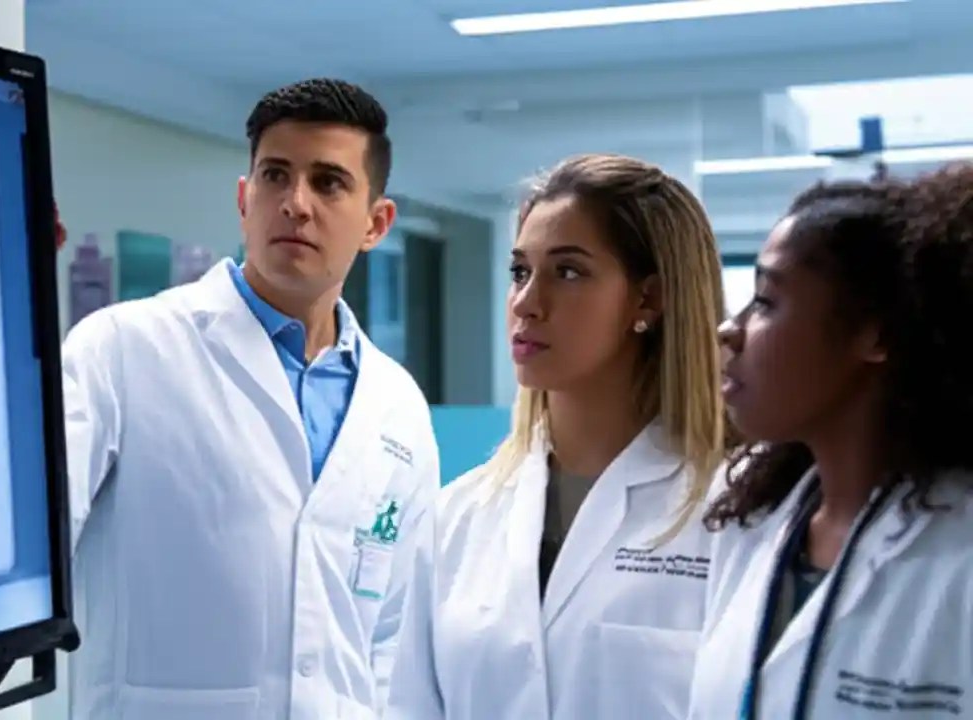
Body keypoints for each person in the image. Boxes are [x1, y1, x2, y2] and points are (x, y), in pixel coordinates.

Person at [61, 78, 440, 720]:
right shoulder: (120, 349)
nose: (295, 203)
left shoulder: (397, 404)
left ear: (376, 223)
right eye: (275, 176)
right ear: (245, 199)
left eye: (328, 182)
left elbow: (394, 639)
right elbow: (28, 566)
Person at [386, 154, 728, 719]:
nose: (526, 303)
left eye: (567, 272)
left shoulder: (731, 512)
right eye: (520, 271)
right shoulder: (459, 517)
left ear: (649, 299)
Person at [687, 167, 973, 719]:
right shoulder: (748, 519)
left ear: (876, 334)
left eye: (766, 301)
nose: (730, 329)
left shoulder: (958, 549)